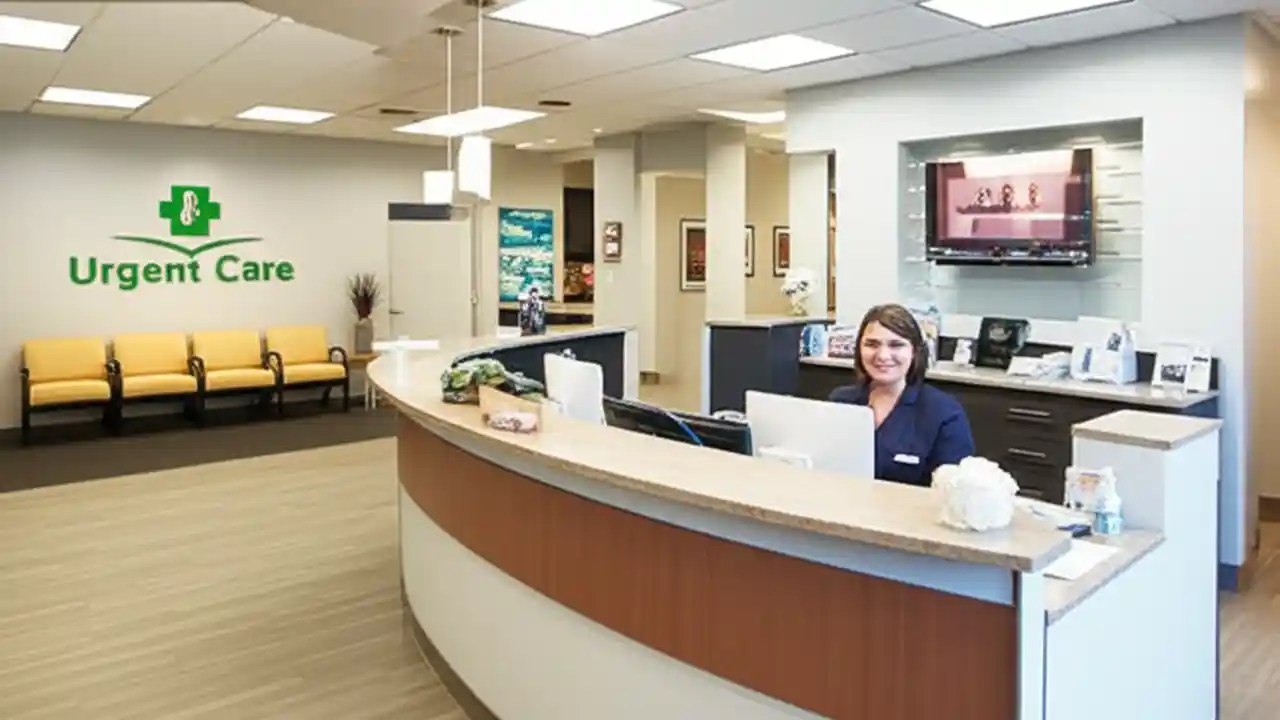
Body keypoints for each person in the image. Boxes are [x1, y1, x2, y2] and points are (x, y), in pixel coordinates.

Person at [828, 304, 975, 487]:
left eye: (896, 345)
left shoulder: (944, 413)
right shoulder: (841, 402)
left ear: (914, 352)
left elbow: (954, 490)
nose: (883, 355)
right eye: (872, 344)